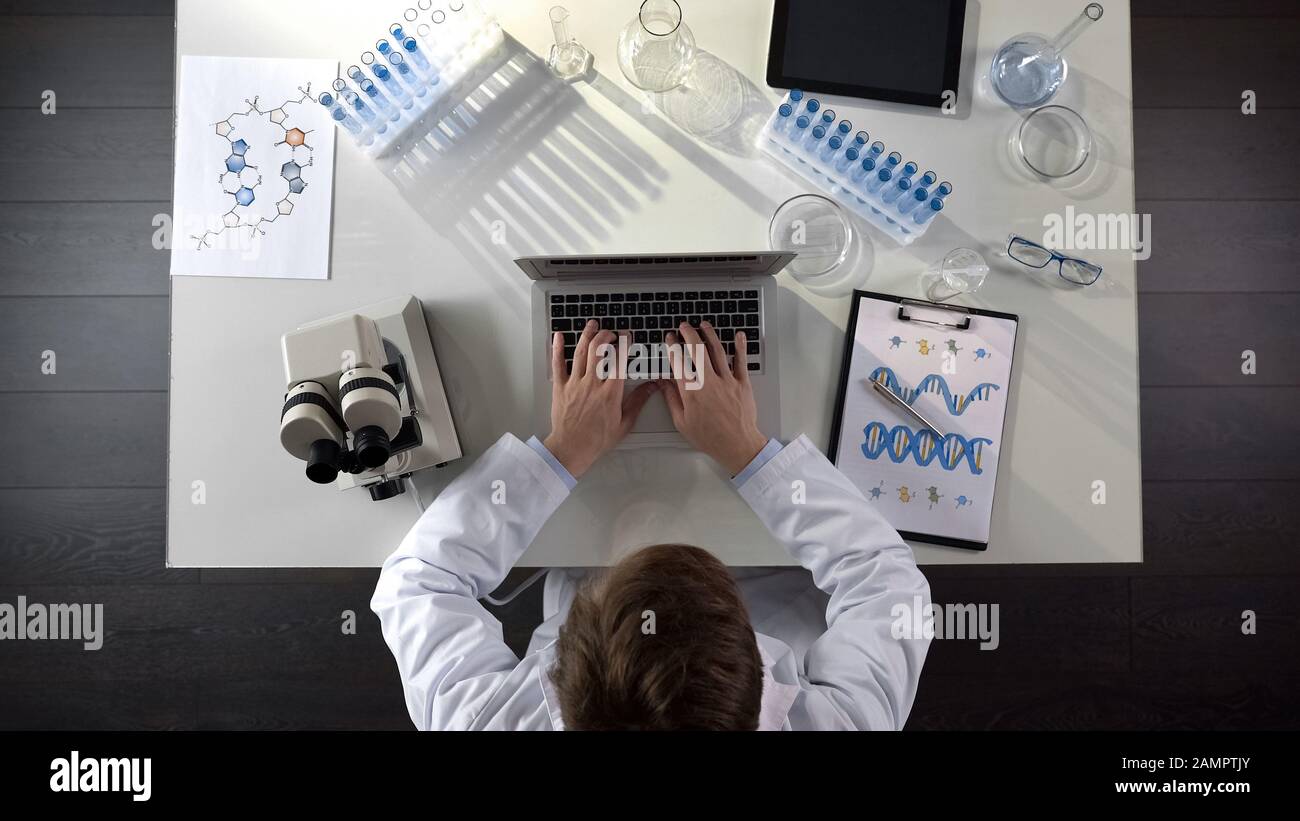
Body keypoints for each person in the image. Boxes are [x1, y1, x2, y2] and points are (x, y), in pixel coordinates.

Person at [371, 320, 932, 730]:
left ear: (558, 672)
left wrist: (561, 453)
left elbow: (417, 580)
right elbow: (890, 586)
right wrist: (751, 453)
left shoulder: (481, 722)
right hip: (778, 570)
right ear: (755, 665)